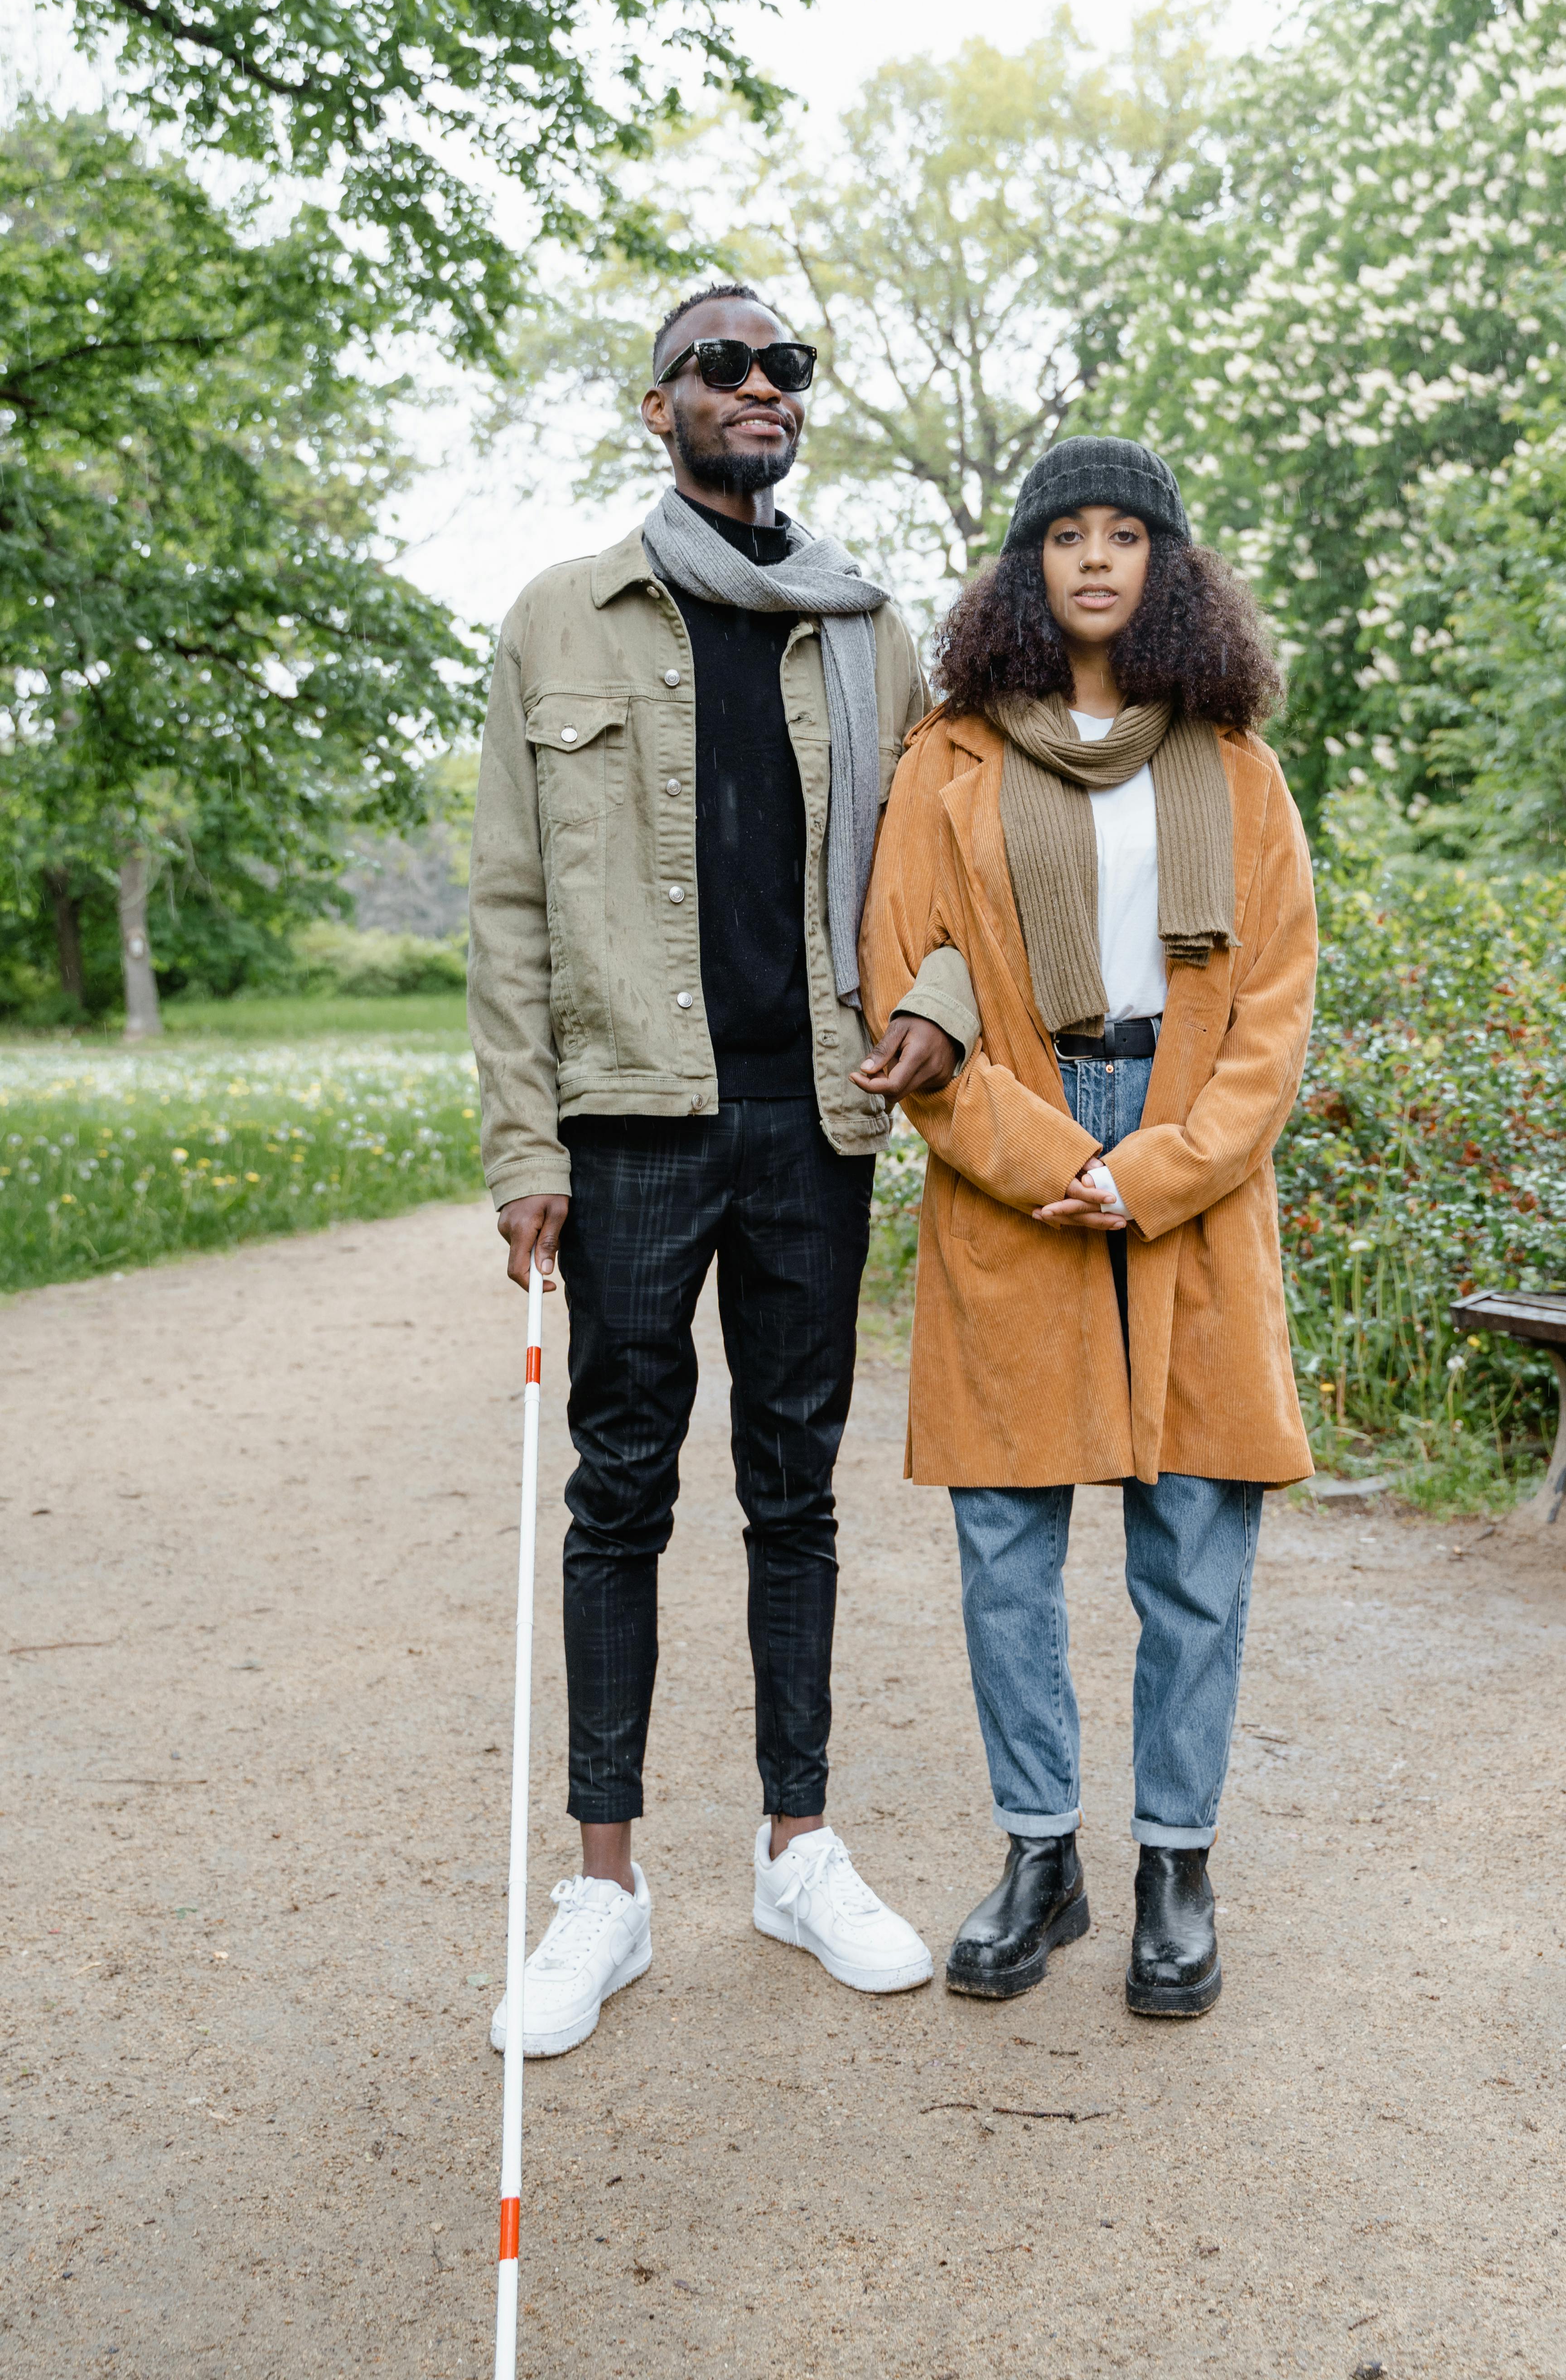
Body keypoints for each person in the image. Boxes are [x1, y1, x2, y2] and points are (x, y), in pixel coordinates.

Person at [468, 281, 976, 2055]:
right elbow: (511, 907)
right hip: (625, 1124)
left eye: (784, 367)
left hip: (813, 1122)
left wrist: (939, 1001)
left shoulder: (868, 625)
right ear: (661, 403)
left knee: (795, 1492)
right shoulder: (559, 618)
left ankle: (797, 1848)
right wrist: (523, 1144)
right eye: (723, 366)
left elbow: (951, 862)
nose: (760, 387)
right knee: (618, 1493)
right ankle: (600, 1893)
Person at [857, 436, 1317, 2018]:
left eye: (1130, 535)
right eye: (1069, 535)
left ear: (1170, 568)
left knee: (1193, 1541)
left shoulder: (1239, 766)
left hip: (1191, 1163)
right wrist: (1046, 1153)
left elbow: (1273, 1007)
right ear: (1028, 568)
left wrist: (1164, 1168)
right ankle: (1039, 1853)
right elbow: (903, 974)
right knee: (1007, 1544)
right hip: (1023, 1161)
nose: (1099, 559)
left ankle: (1175, 1864)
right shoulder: (953, 757)